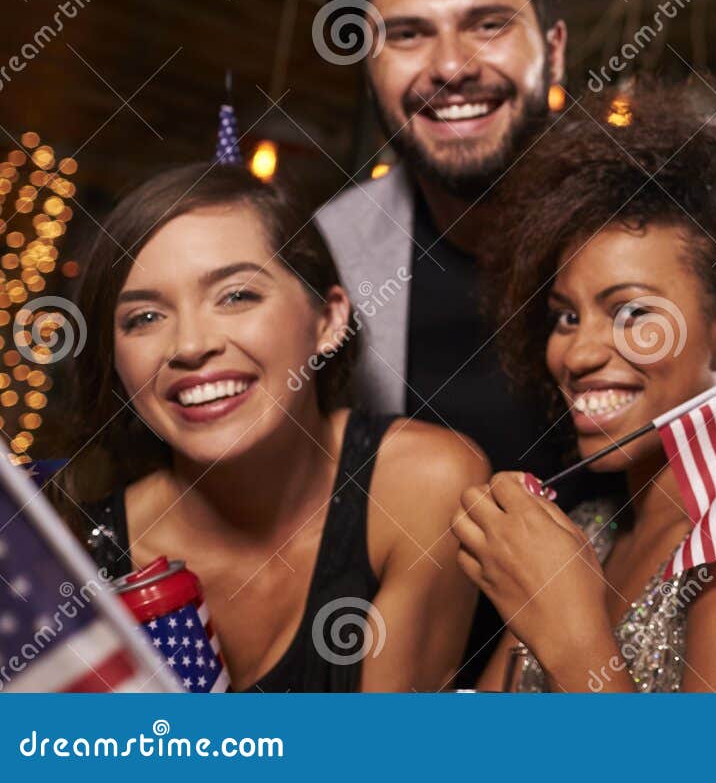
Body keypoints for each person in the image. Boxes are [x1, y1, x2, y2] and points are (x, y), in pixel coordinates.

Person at [312, 0, 716, 678]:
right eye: (408, 34)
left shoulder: (675, 188)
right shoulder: (336, 257)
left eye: (487, 24)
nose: (451, 65)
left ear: (552, 51)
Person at [59, 164, 486, 692]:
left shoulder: (422, 486)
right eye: (144, 318)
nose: (190, 346)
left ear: (328, 321)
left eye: (237, 295)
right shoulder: (70, 559)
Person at [452, 83, 716, 692]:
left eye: (631, 313)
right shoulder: (587, 529)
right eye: (565, 316)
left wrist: (572, 637)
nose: (576, 353)